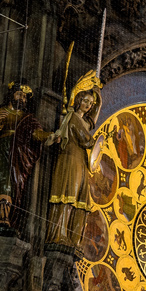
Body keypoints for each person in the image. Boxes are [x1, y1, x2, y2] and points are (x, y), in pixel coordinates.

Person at [0, 81, 56, 232]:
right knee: (3, 182)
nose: (22, 99)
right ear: (11, 95)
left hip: (19, 157)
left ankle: (6, 217)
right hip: (1, 151)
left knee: (14, 186)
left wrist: (49, 136)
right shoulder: (0, 112)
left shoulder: (28, 119)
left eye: (25, 97)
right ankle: (2, 218)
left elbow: (36, 134)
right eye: (19, 94)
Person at [47, 71, 101, 247]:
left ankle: (74, 239)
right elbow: (86, 139)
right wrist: (99, 143)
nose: (88, 105)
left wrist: (99, 100)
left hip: (81, 162)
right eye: (85, 101)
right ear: (78, 100)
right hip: (71, 160)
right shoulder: (73, 118)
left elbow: (91, 121)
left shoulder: (84, 120)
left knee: (80, 201)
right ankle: (59, 234)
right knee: (68, 196)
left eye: (90, 103)